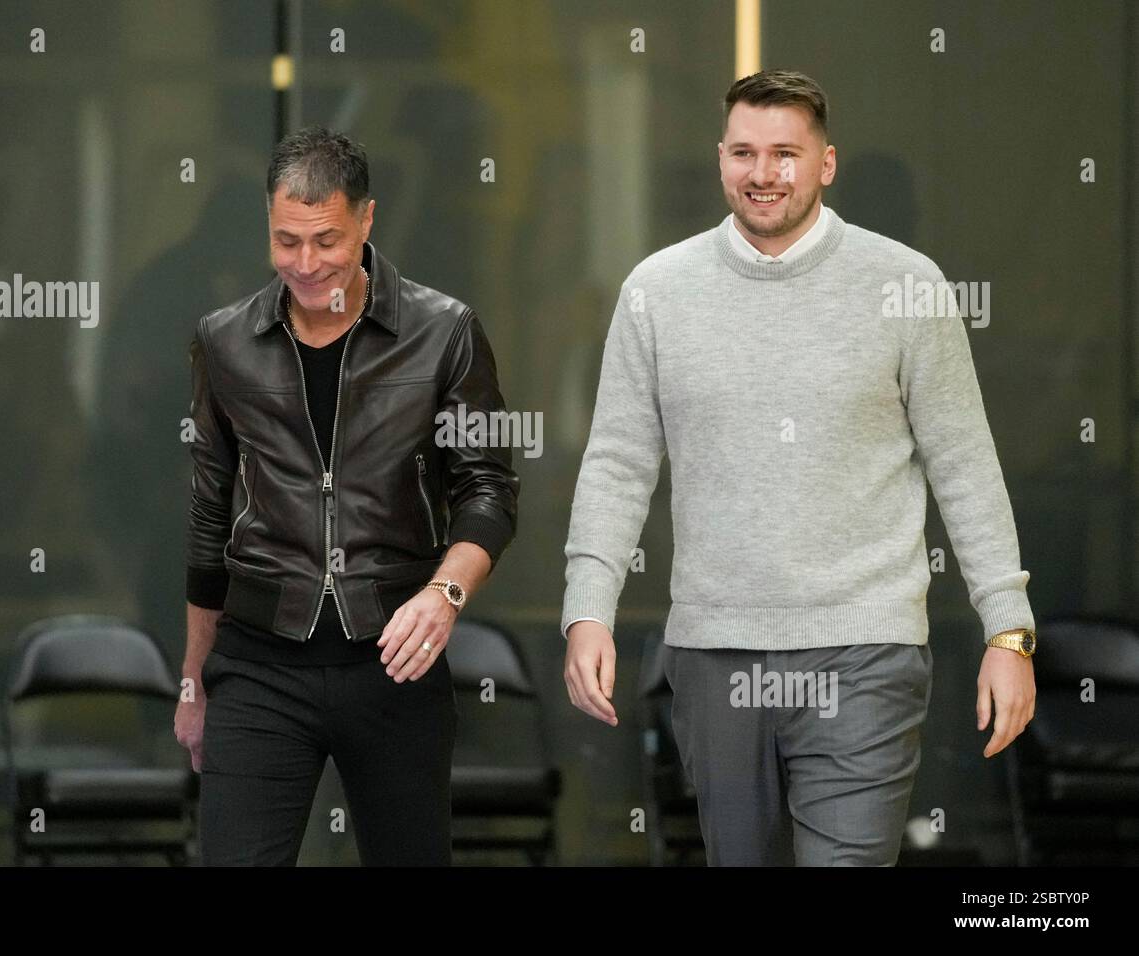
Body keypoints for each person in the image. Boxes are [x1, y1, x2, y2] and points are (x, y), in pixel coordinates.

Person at [560, 70, 1037, 866]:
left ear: (827, 163)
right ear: (720, 160)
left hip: (866, 646)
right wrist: (587, 608)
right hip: (715, 651)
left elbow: (965, 464)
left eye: (786, 153)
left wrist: (1009, 632)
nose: (763, 172)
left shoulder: (907, 286)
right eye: (745, 152)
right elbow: (616, 464)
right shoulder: (657, 292)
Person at [175, 126, 519, 865]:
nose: (305, 264)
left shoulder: (443, 333)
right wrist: (192, 682)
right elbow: (208, 522)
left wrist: (444, 595)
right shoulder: (226, 341)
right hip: (259, 663)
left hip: (394, 662)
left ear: (367, 221)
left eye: (326, 240)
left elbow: (487, 490)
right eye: (285, 241)